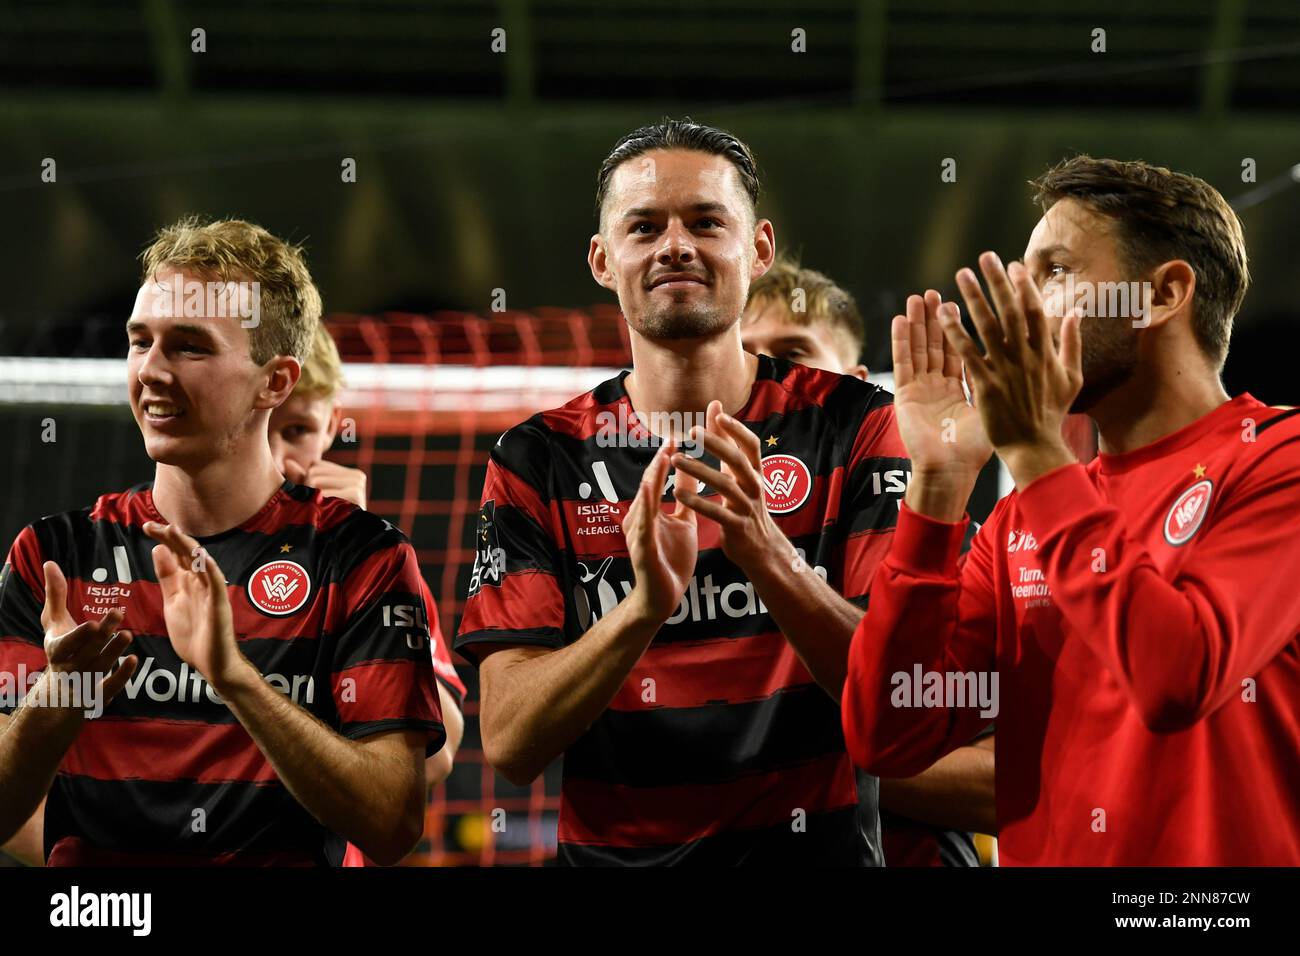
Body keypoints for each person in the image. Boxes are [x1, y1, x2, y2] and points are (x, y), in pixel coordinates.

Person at [455, 119, 908, 865]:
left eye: (705, 221)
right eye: (644, 226)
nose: (675, 245)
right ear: (603, 260)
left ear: (758, 248)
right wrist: (640, 610)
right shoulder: (537, 457)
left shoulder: (855, 423)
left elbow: (894, 699)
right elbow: (509, 741)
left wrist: (770, 559)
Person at [843, 155, 1300, 864]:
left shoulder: (1279, 459)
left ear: (1161, 294)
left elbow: (1178, 678)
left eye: (1056, 272)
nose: (1020, 307)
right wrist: (938, 484)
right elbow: (889, 734)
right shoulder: (1022, 518)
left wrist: (1032, 449)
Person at [0, 217, 443, 865]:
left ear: (276, 382)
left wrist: (233, 677)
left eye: (189, 346)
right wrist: (58, 696)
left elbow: (391, 824)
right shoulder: (53, 557)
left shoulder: (362, 558)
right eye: (139, 340)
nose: (150, 369)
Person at [741, 256, 994, 866]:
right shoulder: (670, 546)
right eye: (745, 356)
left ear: (856, 383)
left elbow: (1007, 781)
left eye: (794, 353)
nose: (769, 378)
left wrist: (769, 765)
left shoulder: (950, 539)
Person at [267, 320, 466, 865]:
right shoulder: (135, 555)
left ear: (332, 426)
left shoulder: (372, 557)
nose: (279, 461)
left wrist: (355, 550)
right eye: (258, 427)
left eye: (297, 431)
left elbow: (439, 751)